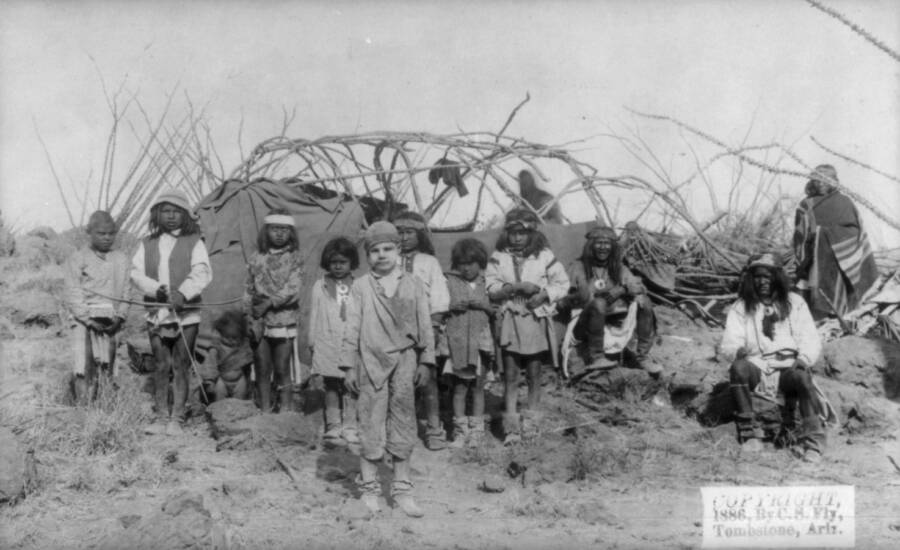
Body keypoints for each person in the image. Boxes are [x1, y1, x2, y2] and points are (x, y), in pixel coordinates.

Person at [339, 221, 435, 518]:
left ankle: (403, 489)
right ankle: (369, 489)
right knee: (370, 423)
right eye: (375, 250)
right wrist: (348, 365)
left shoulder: (414, 284)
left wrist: (426, 360)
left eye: (388, 249)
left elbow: (425, 324)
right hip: (370, 361)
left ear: (399, 250)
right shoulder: (360, 287)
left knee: (404, 422)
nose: (381, 255)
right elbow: (352, 326)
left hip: (405, 361)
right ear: (367, 255)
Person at [719, 253, 825, 462]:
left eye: (768, 276)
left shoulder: (795, 303)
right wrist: (738, 351)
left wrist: (802, 360)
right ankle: (749, 433)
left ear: (777, 277)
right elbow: (729, 343)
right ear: (751, 279)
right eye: (758, 277)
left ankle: (813, 443)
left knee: (803, 377)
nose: (762, 281)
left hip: (787, 366)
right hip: (756, 365)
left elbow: (810, 338)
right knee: (738, 368)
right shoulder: (741, 307)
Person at [131, 189, 212, 436]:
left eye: (176, 211)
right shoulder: (147, 243)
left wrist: (183, 293)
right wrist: (156, 290)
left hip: (186, 313)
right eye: (166, 211)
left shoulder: (195, 242)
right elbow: (135, 274)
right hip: (157, 312)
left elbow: (202, 272)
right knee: (161, 364)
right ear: (157, 214)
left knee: (181, 363)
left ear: (185, 215)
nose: (171, 216)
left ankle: (177, 417)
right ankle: (160, 414)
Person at [485, 208, 569, 444]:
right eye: (513, 233)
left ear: (532, 233)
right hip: (511, 317)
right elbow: (490, 286)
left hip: (534, 318)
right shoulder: (499, 256)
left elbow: (562, 282)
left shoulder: (543, 256)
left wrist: (542, 295)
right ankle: (511, 427)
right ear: (507, 233)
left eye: (523, 233)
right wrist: (511, 289)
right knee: (510, 374)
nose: (518, 238)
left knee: (534, 373)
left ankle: (531, 424)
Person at [562, 224, 659, 375]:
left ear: (613, 247)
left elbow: (638, 286)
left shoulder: (618, 267)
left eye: (607, 243)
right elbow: (562, 299)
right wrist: (580, 296)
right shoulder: (577, 267)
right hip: (584, 323)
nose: (603, 247)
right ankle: (597, 357)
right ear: (591, 246)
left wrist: (622, 289)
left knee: (644, 301)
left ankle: (643, 357)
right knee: (599, 303)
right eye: (599, 243)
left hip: (614, 321)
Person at [392, 211, 450, 451]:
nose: (404, 238)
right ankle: (399, 428)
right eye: (400, 233)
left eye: (409, 233)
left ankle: (434, 428)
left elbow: (439, 295)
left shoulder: (429, 262)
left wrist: (434, 327)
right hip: (393, 327)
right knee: (396, 378)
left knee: (428, 379)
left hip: (424, 325)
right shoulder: (388, 259)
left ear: (420, 235)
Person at [793, 164, 879, 319]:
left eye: (825, 180)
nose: (820, 183)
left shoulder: (845, 202)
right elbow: (799, 236)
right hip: (812, 258)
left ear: (834, 181)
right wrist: (815, 239)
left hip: (842, 259)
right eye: (816, 180)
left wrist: (825, 235)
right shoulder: (806, 204)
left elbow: (856, 231)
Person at [63, 210, 130, 405]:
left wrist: (120, 317)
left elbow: (126, 292)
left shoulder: (121, 259)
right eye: (101, 233)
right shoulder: (78, 258)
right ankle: (84, 411)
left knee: (107, 367)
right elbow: (73, 292)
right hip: (84, 320)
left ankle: (104, 409)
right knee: (83, 366)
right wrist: (88, 320)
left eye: (111, 233)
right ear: (90, 232)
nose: (107, 238)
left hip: (111, 320)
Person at [246, 208, 303, 413]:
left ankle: (286, 410)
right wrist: (250, 315)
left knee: (282, 367)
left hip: (283, 319)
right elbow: (249, 288)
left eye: (284, 229)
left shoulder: (295, 258)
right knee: (262, 367)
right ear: (266, 231)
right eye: (275, 229)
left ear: (291, 233)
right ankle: (265, 410)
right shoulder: (256, 257)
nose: (279, 233)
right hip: (260, 319)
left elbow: (293, 289)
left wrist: (270, 302)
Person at [441, 238, 494, 448]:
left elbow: (496, 310)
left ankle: (477, 431)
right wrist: (453, 305)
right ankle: (460, 431)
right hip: (459, 344)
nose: (466, 268)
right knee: (460, 388)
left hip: (480, 343)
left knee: (479, 387)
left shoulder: (487, 282)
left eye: (470, 263)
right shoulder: (449, 281)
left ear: (480, 262)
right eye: (462, 263)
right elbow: (440, 305)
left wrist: (484, 305)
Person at [308, 236, 360, 446]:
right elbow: (314, 313)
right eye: (334, 262)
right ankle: (333, 425)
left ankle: (350, 425)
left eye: (343, 262)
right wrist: (312, 340)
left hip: (349, 340)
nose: (338, 267)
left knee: (350, 384)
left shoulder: (358, 285)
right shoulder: (320, 286)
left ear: (351, 263)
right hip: (327, 339)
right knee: (331, 384)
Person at [202, 310, 253, 401]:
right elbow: (210, 365)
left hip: (239, 379)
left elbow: (249, 361)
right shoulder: (216, 348)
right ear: (221, 334)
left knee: (239, 400)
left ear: (241, 336)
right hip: (222, 380)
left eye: (234, 338)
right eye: (227, 337)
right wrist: (209, 381)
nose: (230, 340)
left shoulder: (243, 347)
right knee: (219, 396)